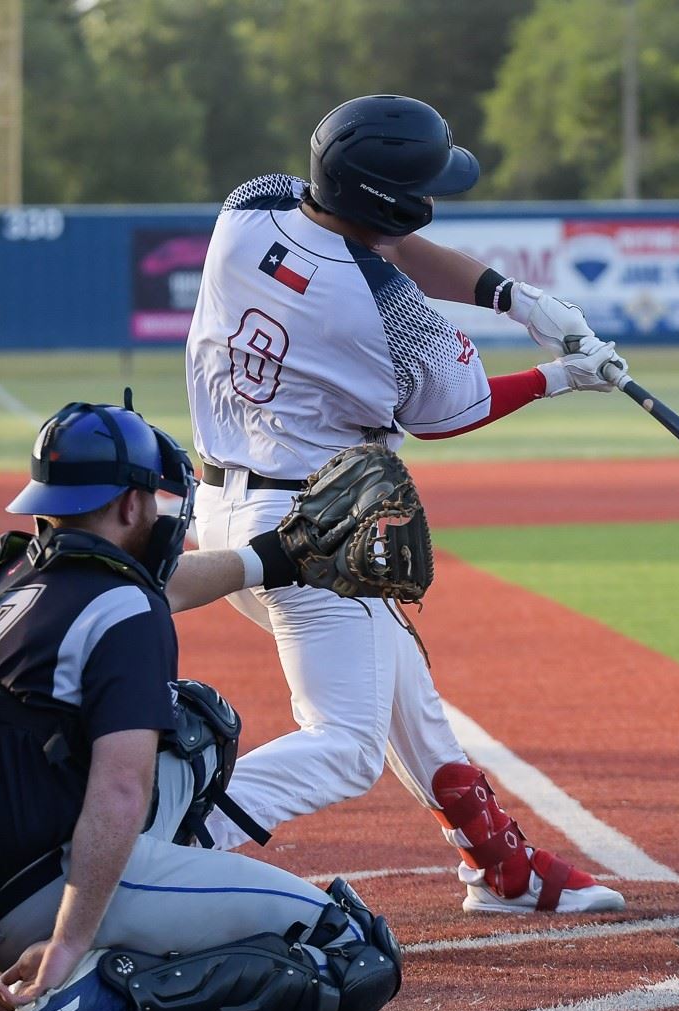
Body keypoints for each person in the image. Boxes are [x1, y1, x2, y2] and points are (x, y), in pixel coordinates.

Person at [186, 93, 629, 917]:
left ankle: (500, 867)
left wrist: (513, 298)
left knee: (408, 694)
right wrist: (560, 377)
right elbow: (450, 415)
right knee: (347, 747)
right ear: (391, 201)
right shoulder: (392, 311)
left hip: (224, 512)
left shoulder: (250, 208)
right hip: (317, 535)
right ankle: (158, 842)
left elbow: (378, 242)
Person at [0, 400, 401, 1011]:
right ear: (126, 506)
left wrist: (275, 558)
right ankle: (109, 991)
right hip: (52, 890)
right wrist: (66, 943)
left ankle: (125, 925)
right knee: (353, 951)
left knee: (198, 732)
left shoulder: (5, 578)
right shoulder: (122, 606)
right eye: (151, 498)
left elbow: (161, 586)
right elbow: (118, 791)